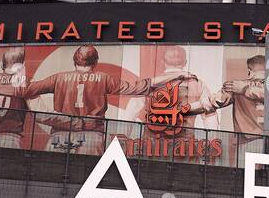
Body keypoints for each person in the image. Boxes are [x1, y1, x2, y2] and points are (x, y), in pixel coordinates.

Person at [21, 45, 192, 154]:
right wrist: (177, 74)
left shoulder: (58, 78)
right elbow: (139, 87)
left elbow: (26, 90)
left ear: (74, 61)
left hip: (59, 137)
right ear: (95, 62)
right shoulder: (103, 79)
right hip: (91, 138)